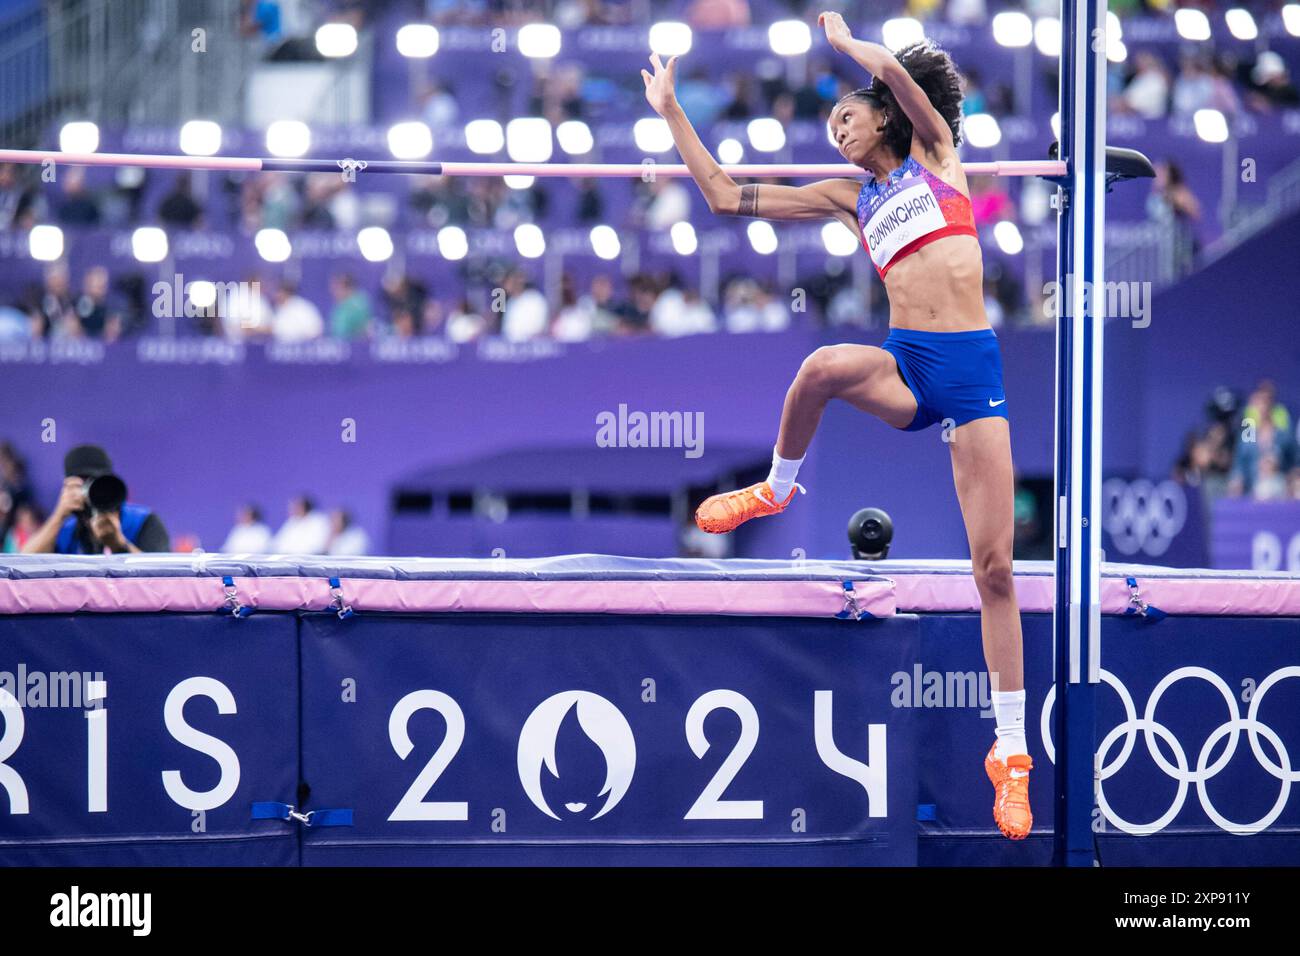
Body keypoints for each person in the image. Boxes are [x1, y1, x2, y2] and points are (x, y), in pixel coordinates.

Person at [642, 12, 1032, 840]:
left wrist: (855, 48)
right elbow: (721, 195)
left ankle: (1010, 753)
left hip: (971, 372)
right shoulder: (851, 199)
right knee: (819, 368)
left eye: (845, 117)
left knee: (993, 567)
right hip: (908, 361)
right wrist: (671, 110)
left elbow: (894, 76)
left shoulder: (936, 156)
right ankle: (778, 491)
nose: (836, 131)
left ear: (884, 114)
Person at [21, 445, 170, 554]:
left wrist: (119, 545)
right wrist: (59, 515)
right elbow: (25, 565)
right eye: (81, 484)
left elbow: (162, 578)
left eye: (95, 483)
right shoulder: (66, 531)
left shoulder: (142, 521)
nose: (89, 491)